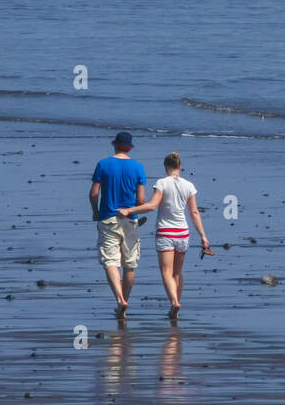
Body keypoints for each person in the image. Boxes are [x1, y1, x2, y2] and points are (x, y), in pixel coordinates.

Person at [119, 151, 208, 319]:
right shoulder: (189, 185)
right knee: (177, 272)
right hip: (183, 233)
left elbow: (152, 206)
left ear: (167, 167)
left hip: (166, 232)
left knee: (166, 272)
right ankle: (176, 304)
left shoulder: (161, 183)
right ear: (180, 167)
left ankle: (174, 302)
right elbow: (194, 212)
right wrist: (203, 236)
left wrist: (129, 210)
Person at [89, 131, 147, 316]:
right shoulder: (138, 168)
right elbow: (141, 199)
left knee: (110, 261)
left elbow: (94, 193)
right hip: (130, 219)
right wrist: (134, 211)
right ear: (129, 147)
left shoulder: (103, 164)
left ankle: (119, 300)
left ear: (115, 145)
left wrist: (95, 211)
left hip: (108, 217)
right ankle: (125, 300)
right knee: (130, 264)